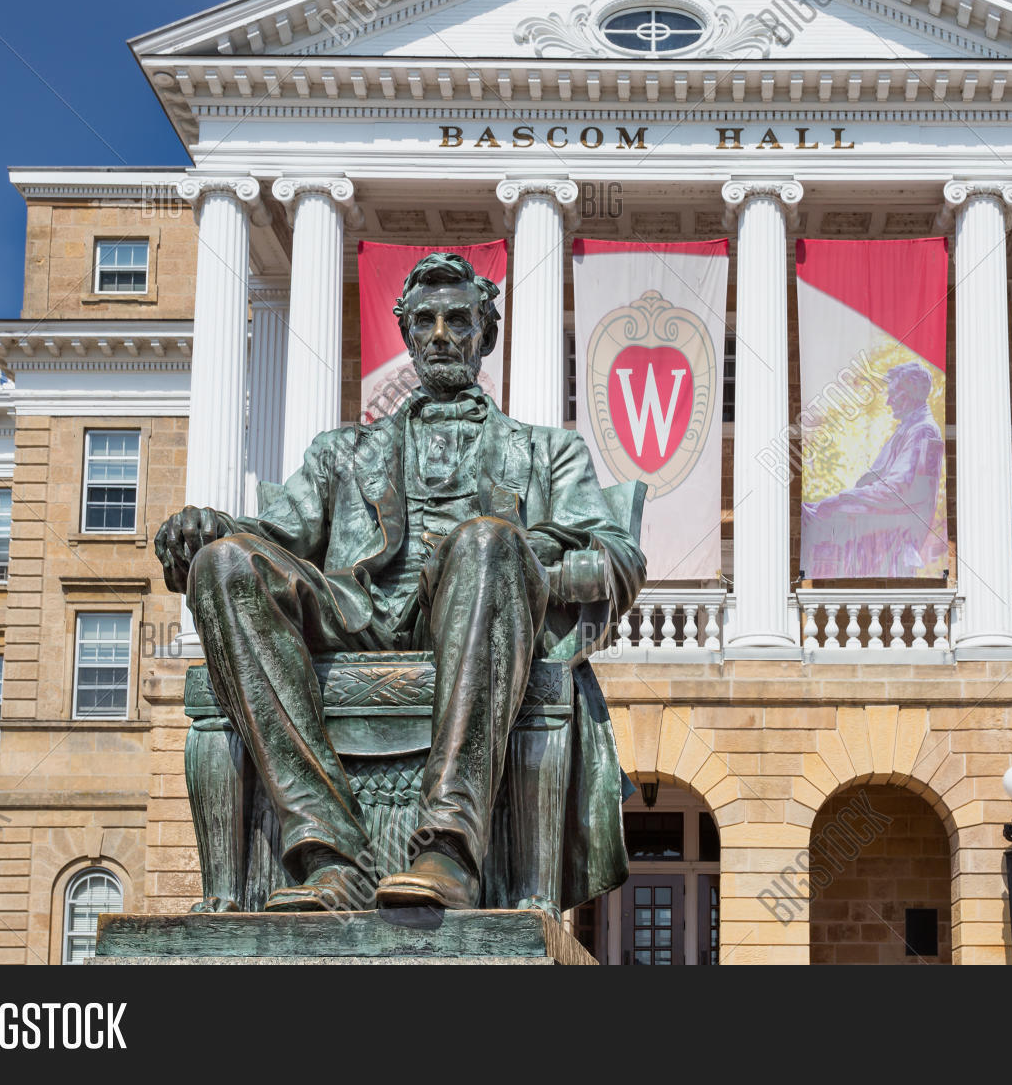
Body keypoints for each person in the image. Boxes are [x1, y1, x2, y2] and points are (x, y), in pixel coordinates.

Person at [156, 253, 645, 912]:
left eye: (459, 320)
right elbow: (270, 537)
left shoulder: (547, 451)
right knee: (226, 564)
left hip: (477, 618)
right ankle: (326, 853)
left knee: (487, 539)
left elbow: (616, 561)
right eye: (425, 321)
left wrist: (516, 563)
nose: (441, 334)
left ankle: (449, 849)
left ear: (486, 335)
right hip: (356, 614)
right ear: (409, 336)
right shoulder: (342, 452)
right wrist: (207, 530)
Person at [801, 360, 946, 579]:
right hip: (881, 525)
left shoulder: (922, 431)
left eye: (894, 393)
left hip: (889, 531)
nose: (888, 401)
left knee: (813, 516)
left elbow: (897, 490)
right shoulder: (910, 428)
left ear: (912, 394)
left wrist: (842, 500)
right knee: (809, 512)